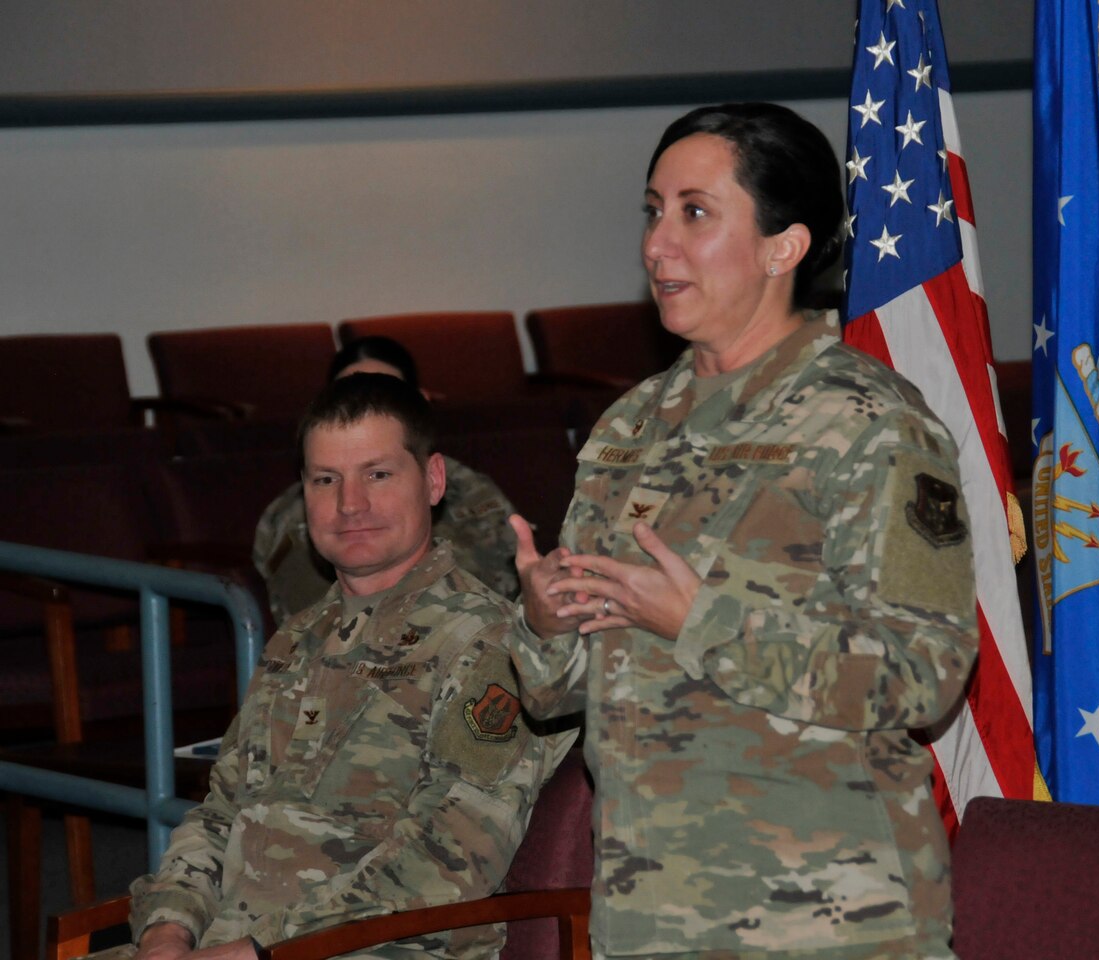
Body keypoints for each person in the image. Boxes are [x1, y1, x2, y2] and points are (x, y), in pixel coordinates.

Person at [508, 103, 979, 959]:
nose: (658, 243)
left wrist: (702, 622)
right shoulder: (630, 427)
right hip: (648, 909)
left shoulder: (868, 424)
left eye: (695, 212)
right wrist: (544, 625)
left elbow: (926, 675)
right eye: (653, 211)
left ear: (783, 246)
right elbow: (558, 695)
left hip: (829, 920)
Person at [118, 374, 566, 960]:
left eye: (377, 475)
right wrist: (167, 931)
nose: (350, 505)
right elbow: (222, 812)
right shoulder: (297, 639)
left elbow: (448, 861)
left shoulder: (491, 644)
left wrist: (259, 947)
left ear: (433, 480)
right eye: (326, 479)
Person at [253, 336, 520, 626]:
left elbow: (511, 593)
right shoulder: (304, 517)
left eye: (378, 475)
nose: (351, 504)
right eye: (350, 395)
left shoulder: (474, 492)